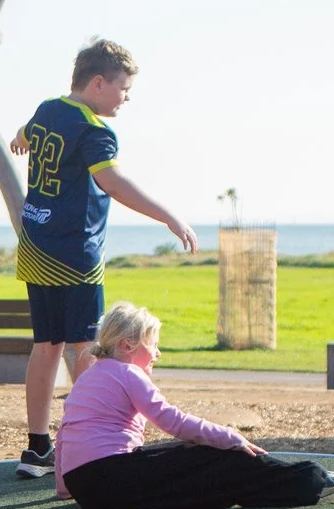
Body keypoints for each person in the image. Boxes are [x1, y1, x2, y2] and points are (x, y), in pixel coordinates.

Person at [10, 40, 198, 478]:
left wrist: (21, 142)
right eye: (123, 89)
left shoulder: (48, 109)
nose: (126, 98)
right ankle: (94, 443)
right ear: (98, 83)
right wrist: (168, 216)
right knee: (86, 348)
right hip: (76, 253)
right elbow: (113, 182)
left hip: (36, 246)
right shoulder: (95, 131)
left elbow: (23, 135)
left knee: (46, 346)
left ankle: (38, 449)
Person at [55, 302, 334, 509]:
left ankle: (297, 479)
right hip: (111, 478)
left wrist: (65, 488)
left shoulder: (89, 376)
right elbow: (174, 422)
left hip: (86, 489)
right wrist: (230, 437)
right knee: (218, 455)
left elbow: (65, 432)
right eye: (152, 344)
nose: (157, 353)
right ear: (128, 345)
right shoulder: (129, 373)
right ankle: (312, 479)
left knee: (193, 471)